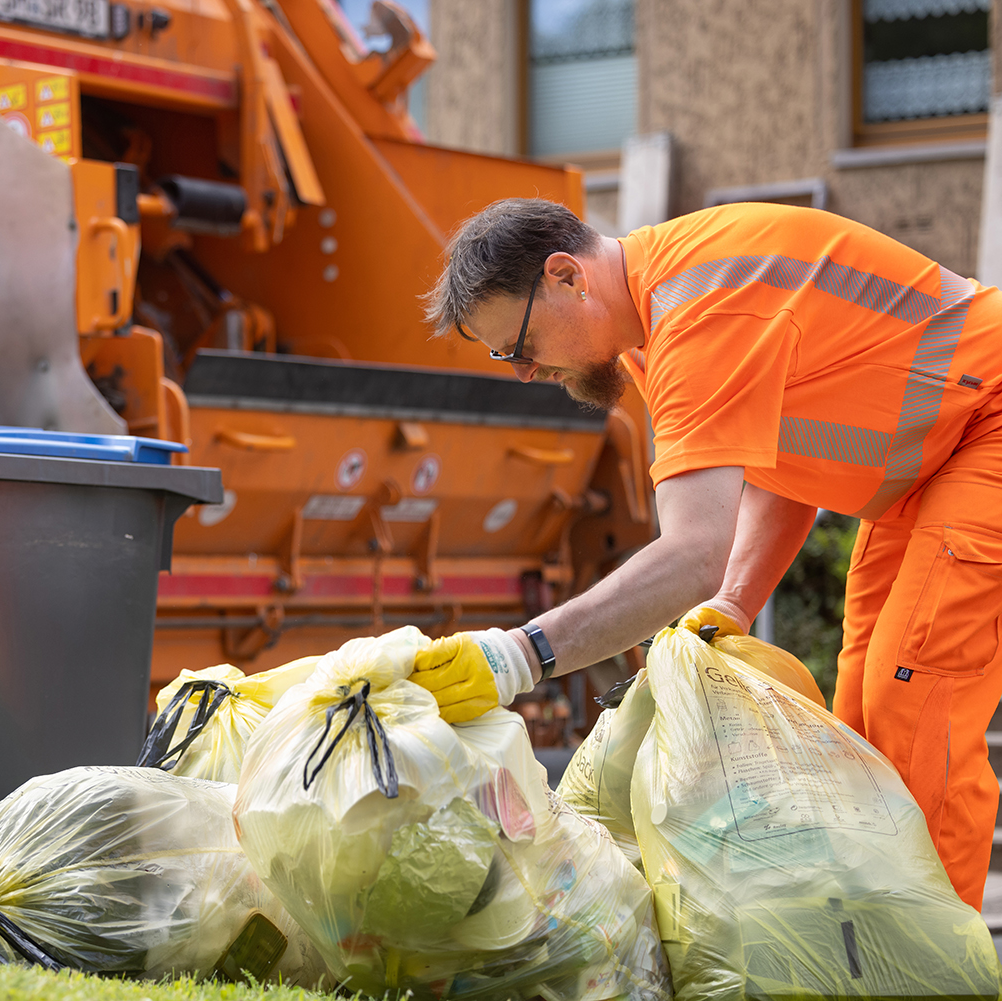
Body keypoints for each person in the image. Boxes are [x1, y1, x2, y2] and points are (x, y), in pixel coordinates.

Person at [406, 198, 1002, 911]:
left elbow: (692, 552)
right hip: (927, 473)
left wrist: (521, 654)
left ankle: (934, 970)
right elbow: (785, 466)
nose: (525, 371)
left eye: (520, 344)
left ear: (567, 276)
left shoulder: (700, 312)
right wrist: (736, 602)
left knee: (910, 707)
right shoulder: (660, 323)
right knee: (864, 720)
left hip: (983, 427)